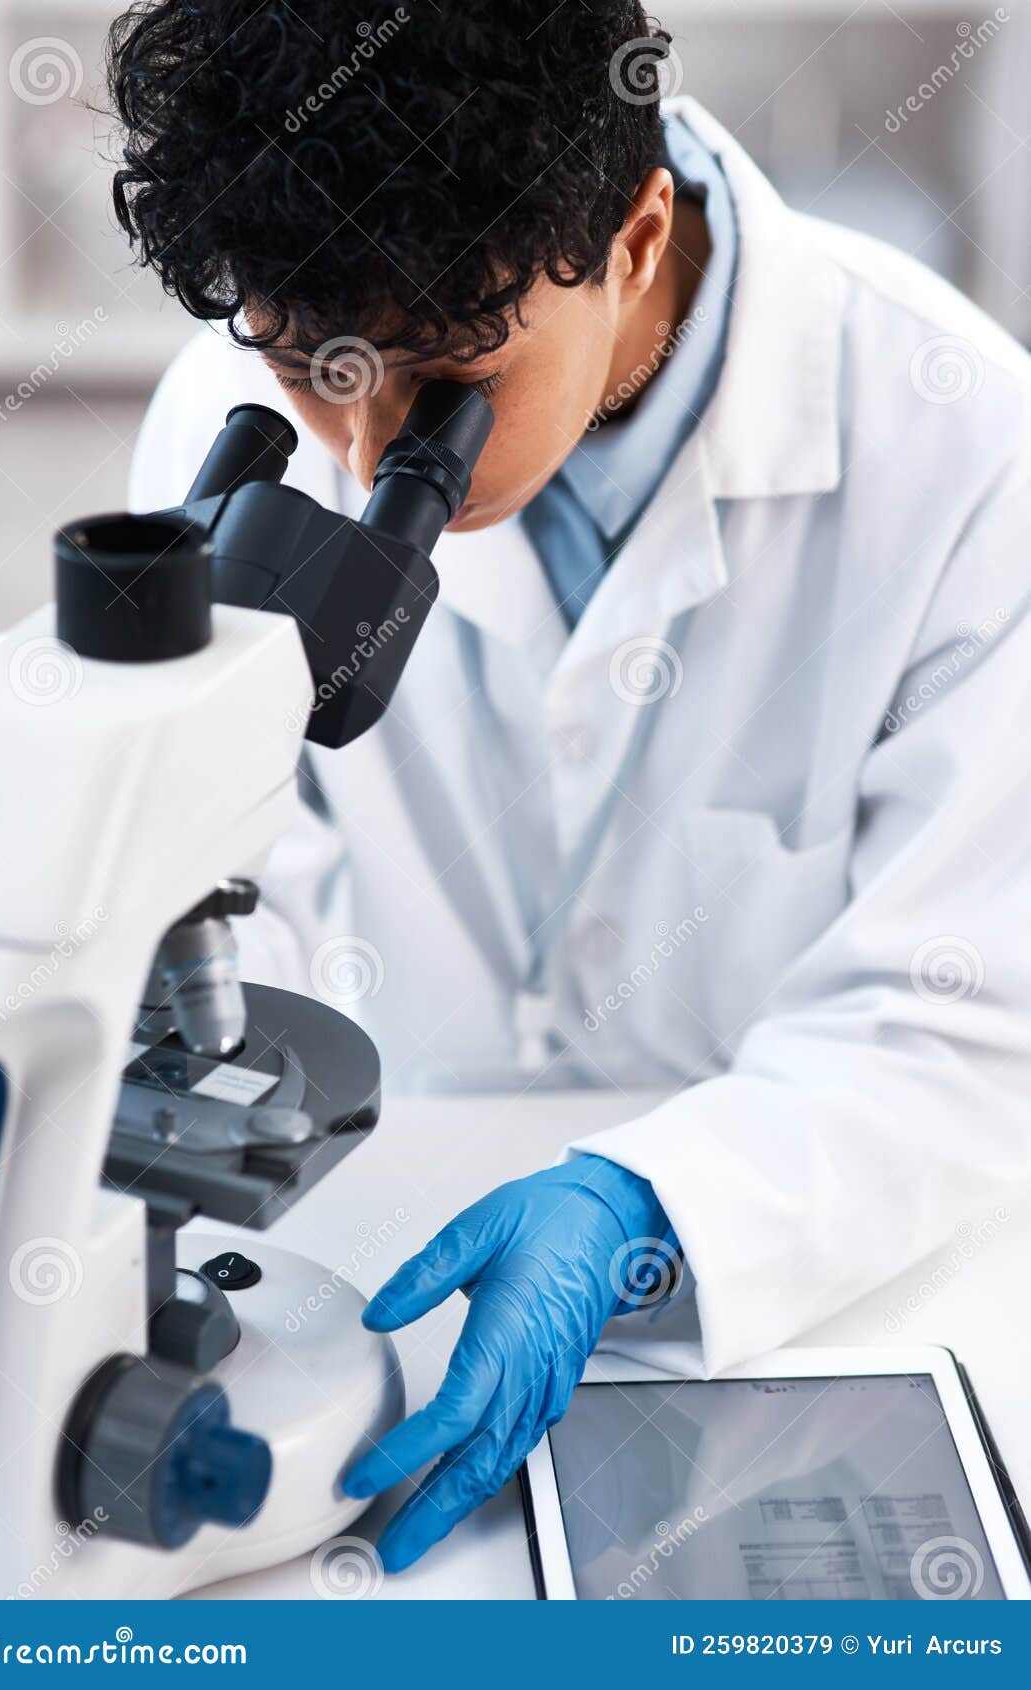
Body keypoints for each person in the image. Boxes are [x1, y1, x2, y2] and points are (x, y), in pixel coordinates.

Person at [113, 1, 1031, 1572]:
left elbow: (967, 1013)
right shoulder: (228, 424)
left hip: (789, 1299)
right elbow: (227, 893)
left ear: (633, 236)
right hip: (366, 1251)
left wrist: (651, 1209)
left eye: (439, 387)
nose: (355, 447)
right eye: (301, 366)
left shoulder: (964, 446)